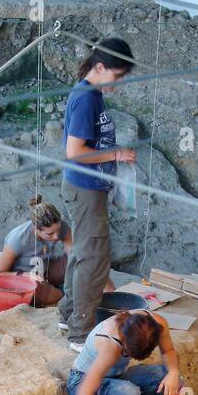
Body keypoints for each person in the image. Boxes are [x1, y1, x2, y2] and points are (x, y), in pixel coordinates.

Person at [58, 36, 136, 345]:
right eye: (116, 76)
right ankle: (81, 333)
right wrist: (116, 155)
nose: (118, 83)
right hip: (85, 188)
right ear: (100, 67)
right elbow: (74, 151)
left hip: (87, 188)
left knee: (83, 252)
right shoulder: (86, 98)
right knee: (95, 259)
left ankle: (67, 314)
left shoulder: (91, 94)